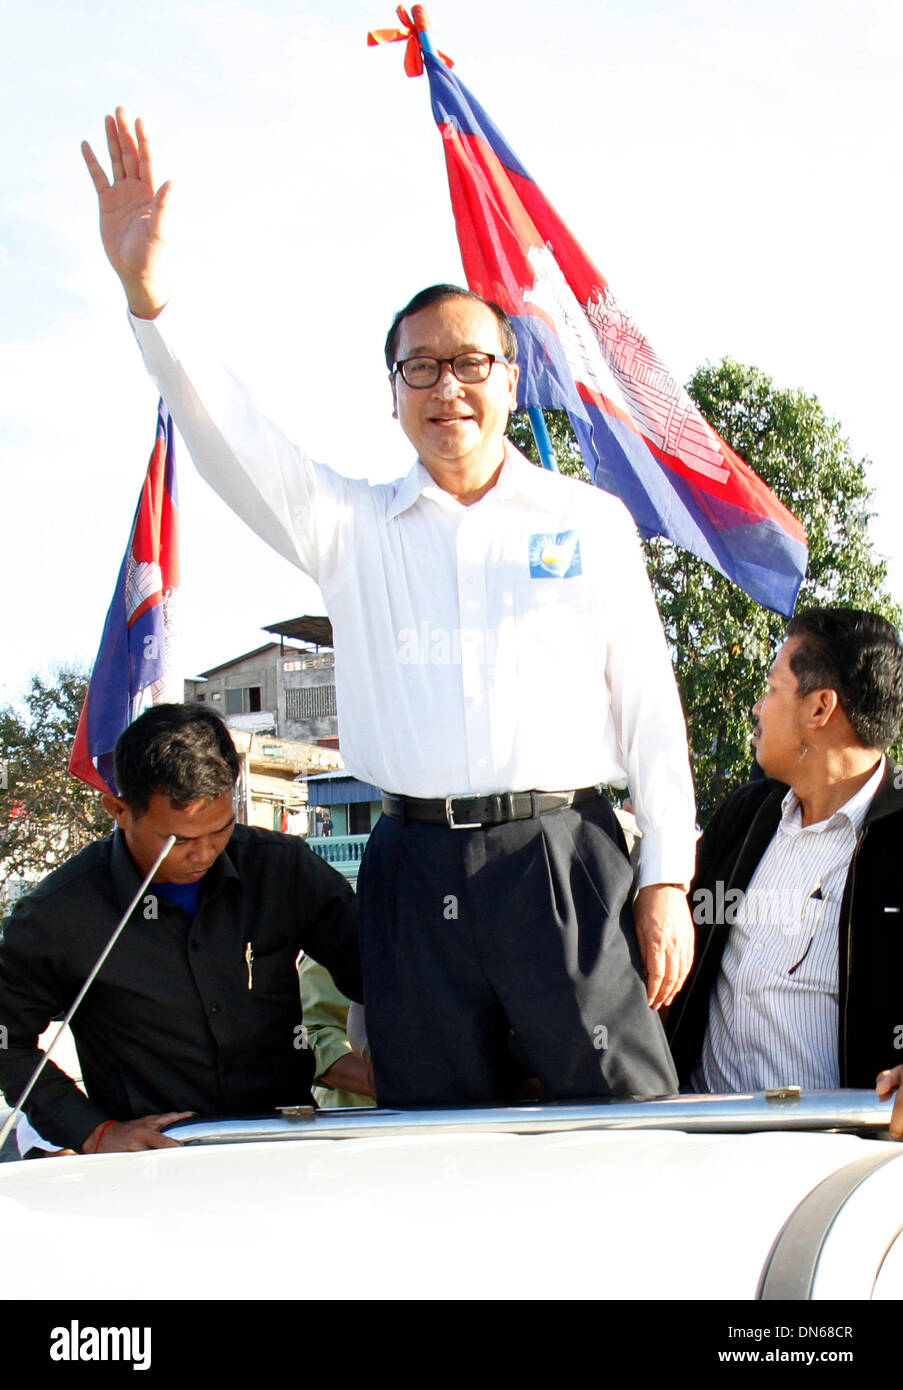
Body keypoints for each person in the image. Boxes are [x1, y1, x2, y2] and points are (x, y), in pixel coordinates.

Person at [80, 109, 697, 1106]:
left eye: (470, 364)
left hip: (562, 857)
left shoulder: (588, 524)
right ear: (394, 391)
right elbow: (239, 439)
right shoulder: (351, 529)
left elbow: (652, 716)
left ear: (510, 377)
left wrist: (666, 873)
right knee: (432, 1138)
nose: (446, 387)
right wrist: (153, 302)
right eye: (421, 367)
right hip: (412, 871)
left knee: (627, 1119)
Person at [0, 704, 362, 1154]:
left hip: (283, 1154)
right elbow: (7, 1041)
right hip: (152, 1169)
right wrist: (94, 1132)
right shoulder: (61, 914)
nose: (204, 855)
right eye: (181, 840)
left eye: (221, 830)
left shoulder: (281, 870)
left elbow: (374, 972)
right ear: (119, 810)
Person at [668, 608, 903, 1124]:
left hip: (830, 1170)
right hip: (694, 1141)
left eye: (773, 688)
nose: (758, 706)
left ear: (820, 708)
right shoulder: (746, 818)